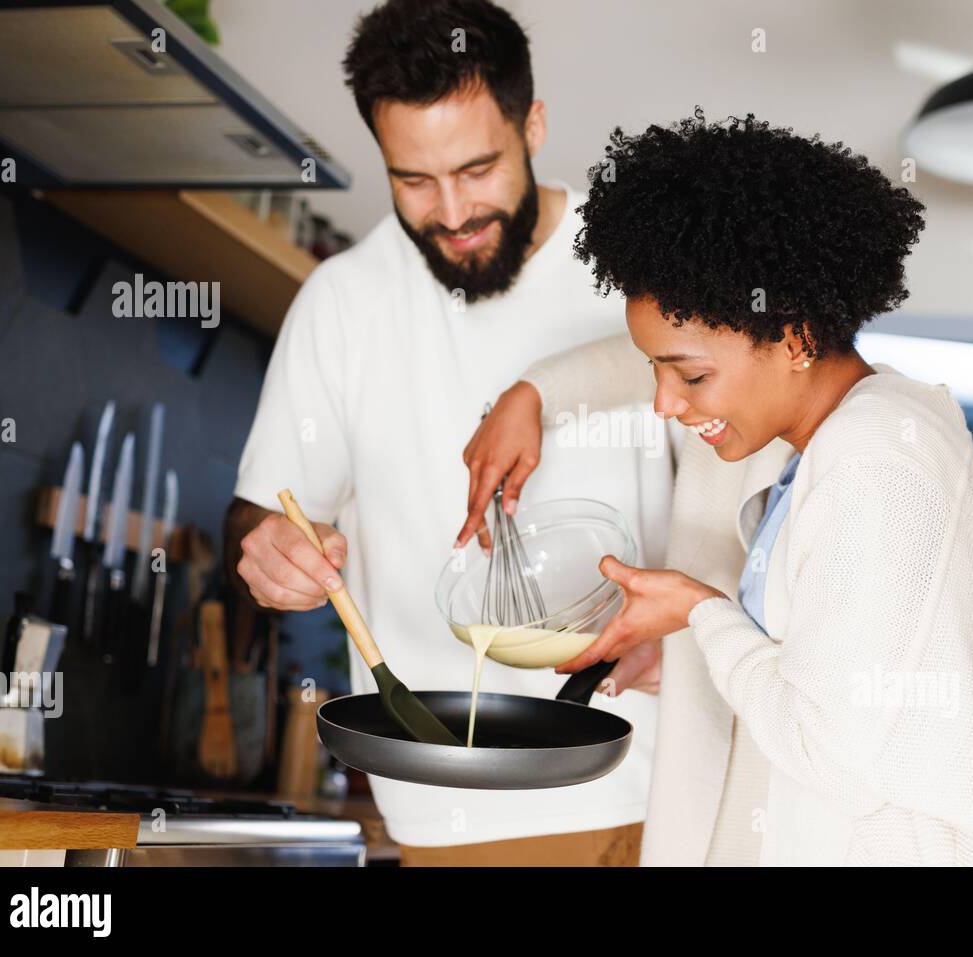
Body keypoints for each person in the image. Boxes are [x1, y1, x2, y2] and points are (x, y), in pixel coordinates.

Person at [458, 110, 973, 866]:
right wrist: (700, 651)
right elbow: (821, 680)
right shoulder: (838, 444)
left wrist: (701, 612)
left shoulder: (875, 461)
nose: (665, 404)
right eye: (658, 370)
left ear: (797, 338)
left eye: (691, 375)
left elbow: (833, 751)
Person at [226, 0, 670, 866]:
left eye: (478, 168)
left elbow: (738, 492)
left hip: (655, 777)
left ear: (532, 123)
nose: (455, 212)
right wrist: (270, 550)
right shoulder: (343, 305)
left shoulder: (635, 269)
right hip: (451, 810)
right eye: (414, 180)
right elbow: (254, 517)